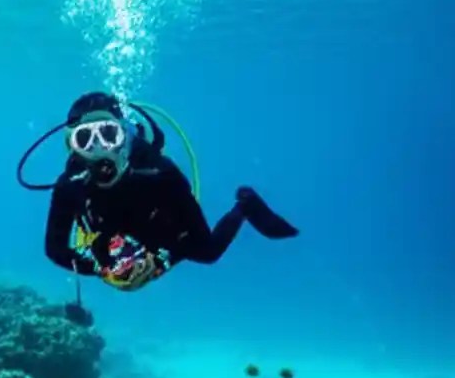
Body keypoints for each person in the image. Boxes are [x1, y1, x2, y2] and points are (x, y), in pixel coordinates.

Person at [17, 91, 298, 307]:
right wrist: (102, 270)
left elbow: (196, 236)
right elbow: (54, 249)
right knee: (105, 245)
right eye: (85, 140)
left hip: (161, 229)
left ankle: (245, 205)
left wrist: (161, 262)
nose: (100, 148)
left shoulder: (160, 172)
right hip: (108, 237)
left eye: (108, 134)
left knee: (208, 253)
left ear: (124, 135)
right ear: (72, 146)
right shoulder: (69, 186)